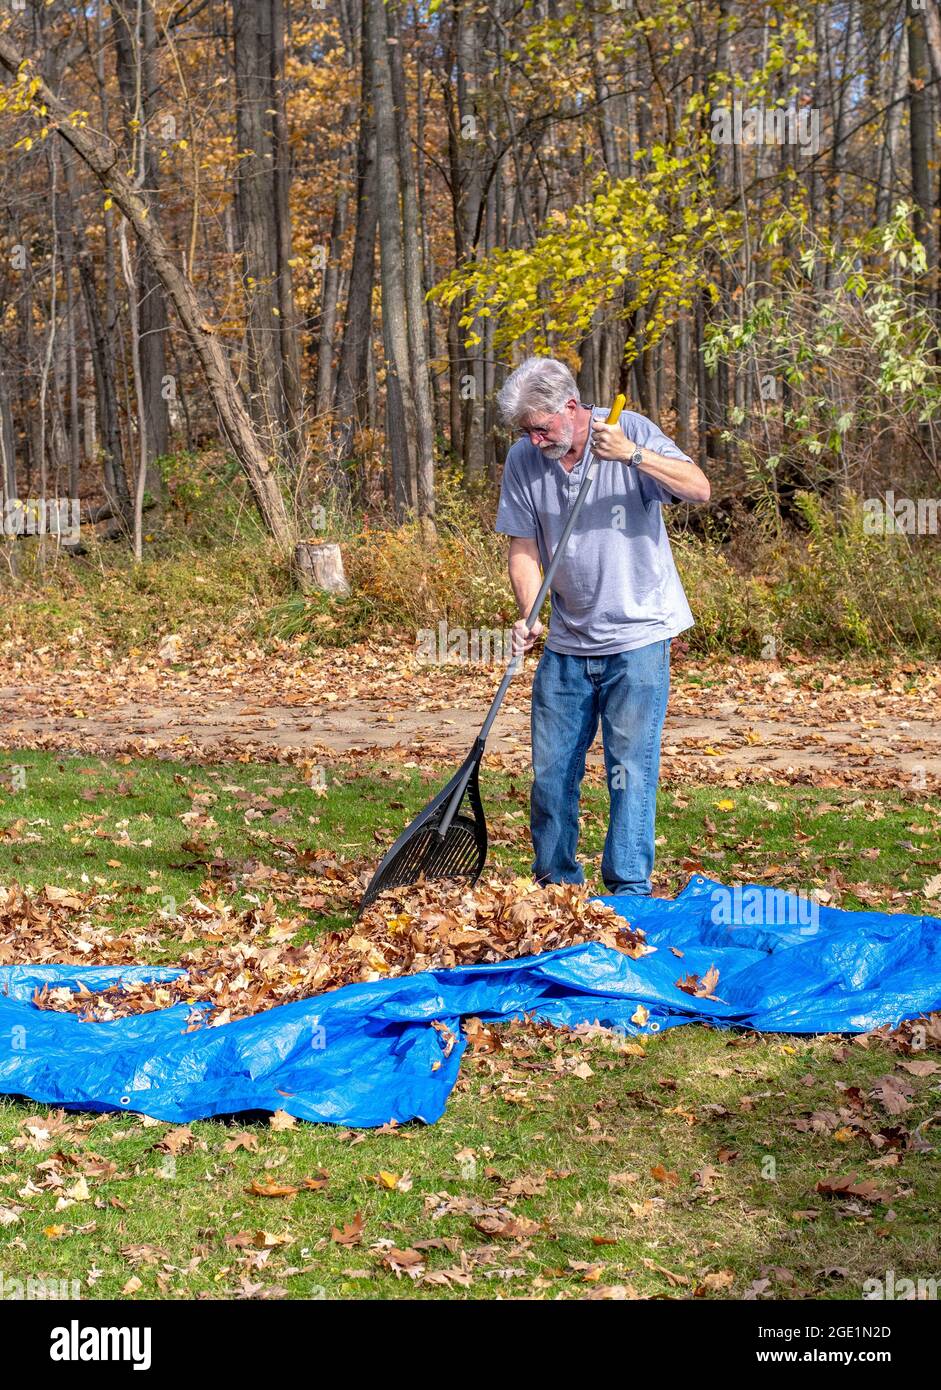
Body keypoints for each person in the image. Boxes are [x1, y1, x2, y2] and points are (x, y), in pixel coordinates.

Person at [494, 355, 710, 897]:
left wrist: (634, 457)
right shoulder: (524, 458)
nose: (535, 439)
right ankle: (556, 889)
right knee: (550, 773)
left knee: (630, 770)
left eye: (542, 427)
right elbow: (523, 549)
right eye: (527, 429)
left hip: (638, 635)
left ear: (571, 407)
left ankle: (628, 892)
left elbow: (698, 488)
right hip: (567, 641)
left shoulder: (628, 429)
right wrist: (529, 615)